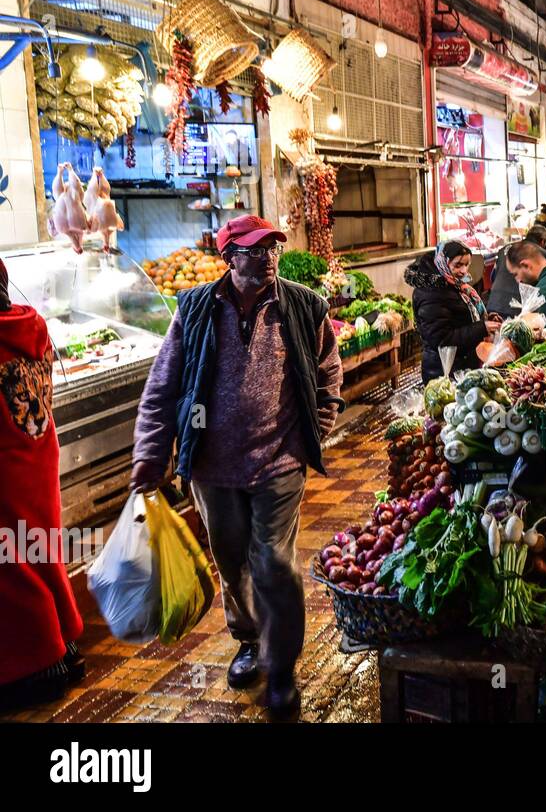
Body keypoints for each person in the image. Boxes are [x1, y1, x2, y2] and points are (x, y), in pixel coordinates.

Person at [131, 215, 343, 721]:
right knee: (231, 560)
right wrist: (150, 454)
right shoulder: (197, 308)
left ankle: (284, 666)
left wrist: (321, 418)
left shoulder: (303, 304)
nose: (269, 257)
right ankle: (247, 638)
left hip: (280, 459)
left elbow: (328, 368)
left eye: (274, 248)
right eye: (255, 250)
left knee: (272, 559)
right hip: (212, 465)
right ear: (230, 257)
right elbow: (163, 390)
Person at [0, 256, 85, 712]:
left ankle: (39, 664)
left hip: (5, 465)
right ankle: (66, 645)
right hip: (35, 454)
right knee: (39, 550)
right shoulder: (29, 325)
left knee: (12, 567)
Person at [406, 241, 500, 381]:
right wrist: (481, 328)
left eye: (467, 264)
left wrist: (484, 319)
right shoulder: (432, 293)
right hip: (443, 371)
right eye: (458, 265)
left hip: (461, 365)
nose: (463, 271)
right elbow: (441, 339)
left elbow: (460, 317)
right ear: (443, 262)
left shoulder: (454, 284)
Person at [486, 225, 546, 317]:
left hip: (494, 304)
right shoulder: (543, 255)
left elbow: (493, 277)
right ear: (543, 241)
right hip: (519, 309)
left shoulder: (504, 249)